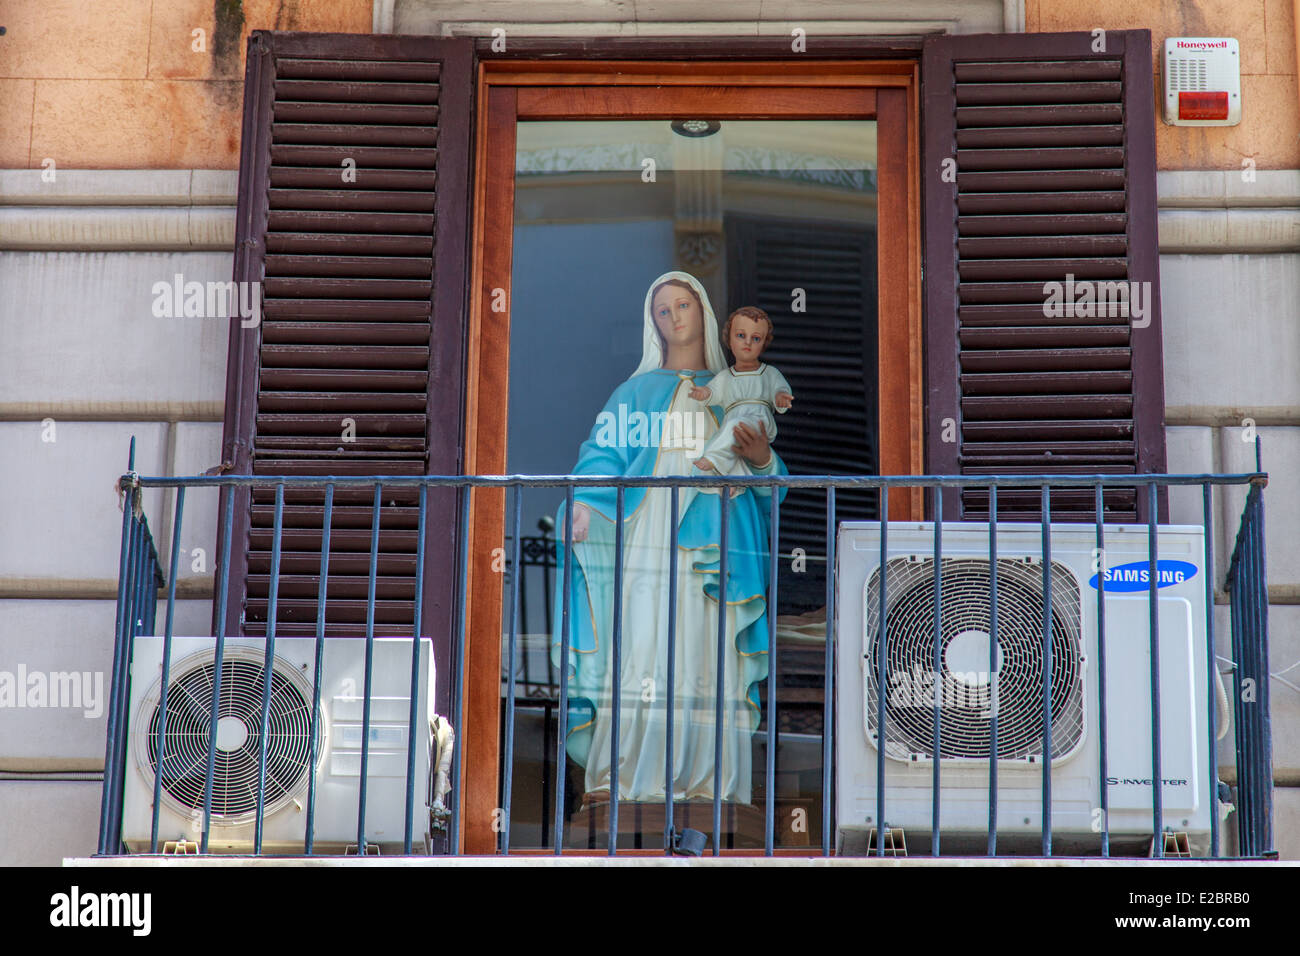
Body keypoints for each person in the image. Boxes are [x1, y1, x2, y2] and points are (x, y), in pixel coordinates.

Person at [551, 271, 786, 805]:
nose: (674, 316)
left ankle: (710, 783)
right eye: (662, 310)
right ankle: (631, 776)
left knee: (708, 649)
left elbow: (771, 481)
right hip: (648, 534)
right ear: (652, 324)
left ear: (702, 310)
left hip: (715, 540)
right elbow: (600, 457)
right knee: (643, 641)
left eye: (683, 304)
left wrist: (760, 459)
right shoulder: (633, 393)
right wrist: (583, 504)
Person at [690, 306, 793, 479]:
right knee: (732, 445)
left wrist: (780, 398)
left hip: (758, 420)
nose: (747, 343)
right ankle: (734, 483)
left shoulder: (769, 373)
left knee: (731, 431)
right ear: (729, 340)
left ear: (763, 343)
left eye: (756, 338)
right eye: (740, 336)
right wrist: (704, 393)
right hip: (733, 421)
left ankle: (712, 459)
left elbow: (780, 388)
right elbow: (713, 391)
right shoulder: (725, 376)